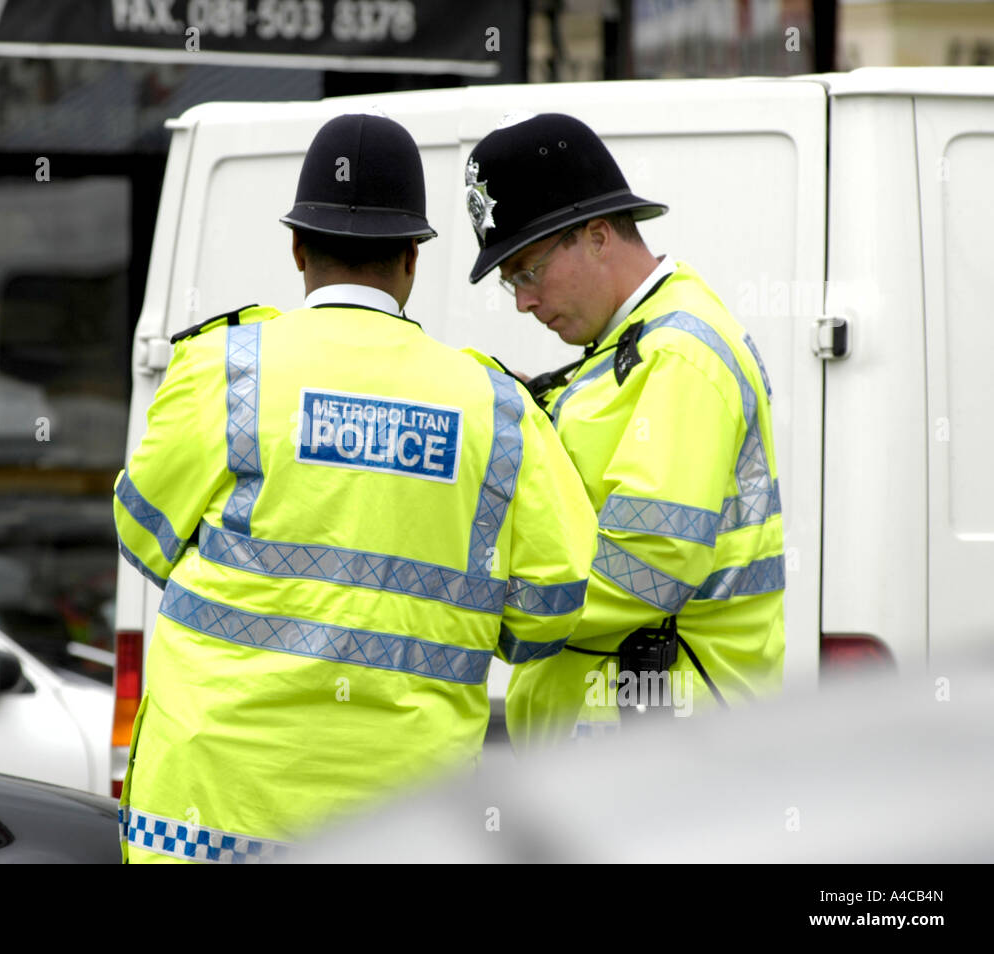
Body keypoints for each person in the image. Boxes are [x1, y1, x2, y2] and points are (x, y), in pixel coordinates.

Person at [112, 113, 596, 863]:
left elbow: (143, 534)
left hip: (207, 817)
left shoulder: (226, 367)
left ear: (298, 247)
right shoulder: (498, 407)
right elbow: (550, 607)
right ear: (412, 259)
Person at [463, 113, 785, 744]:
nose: (524, 300)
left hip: (661, 759)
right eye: (510, 285)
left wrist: (488, 611)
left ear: (598, 236)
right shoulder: (633, 346)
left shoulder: (679, 355)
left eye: (527, 271)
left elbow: (649, 561)